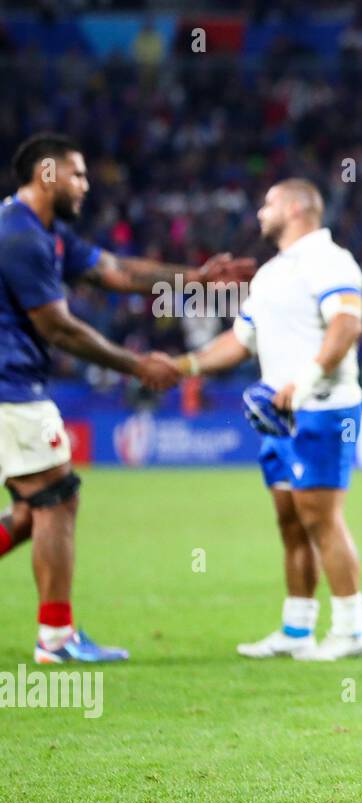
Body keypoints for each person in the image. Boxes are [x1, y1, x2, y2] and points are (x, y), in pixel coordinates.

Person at [0, 132, 252, 663]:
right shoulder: (20, 236)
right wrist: (137, 365)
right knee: (56, 498)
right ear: (46, 175)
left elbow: (117, 271)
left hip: (15, 386)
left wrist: (196, 280)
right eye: (77, 174)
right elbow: (60, 329)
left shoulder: (47, 234)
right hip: (11, 388)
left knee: (30, 511)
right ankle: (56, 637)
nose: (86, 185)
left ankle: (57, 634)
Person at [170, 179, 362, 661]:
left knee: (322, 519)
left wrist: (302, 384)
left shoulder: (330, 260)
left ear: (298, 207)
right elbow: (241, 342)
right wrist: (181, 367)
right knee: (290, 522)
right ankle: (297, 629)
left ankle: (350, 631)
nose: (260, 211)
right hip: (277, 417)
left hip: (322, 409)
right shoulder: (270, 274)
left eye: (269, 203)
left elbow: (348, 325)